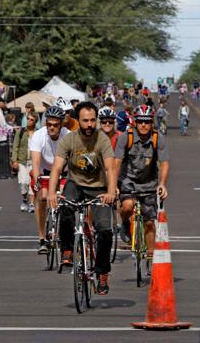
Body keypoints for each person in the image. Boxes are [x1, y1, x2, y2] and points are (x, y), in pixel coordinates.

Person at [47, 102, 117, 295]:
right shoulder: (69, 140)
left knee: (105, 230)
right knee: (65, 207)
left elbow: (111, 168)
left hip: (99, 188)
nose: (89, 124)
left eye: (93, 120)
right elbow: (57, 168)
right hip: (75, 185)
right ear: (78, 121)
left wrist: (111, 192)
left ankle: (102, 273)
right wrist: (52, 193)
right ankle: (67, 250)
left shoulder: (102, 139)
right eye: (85, 121)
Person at [115, 105, 169, 258]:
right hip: (128, 181)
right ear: (135, 122)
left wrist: (162, 184)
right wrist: (113, 185)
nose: (143, 125)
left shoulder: (158, 138)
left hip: (149, 183)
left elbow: (164, 163)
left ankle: (151, 258)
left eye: (147, 121)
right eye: (140, 121)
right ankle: (125, 223)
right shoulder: (126, 137)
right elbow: (117, 162)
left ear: (152, 122)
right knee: (127, 205)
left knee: (149, 222)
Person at [29, 105, 70, 253]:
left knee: (66, 199)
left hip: (63, 171)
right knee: (42, 197)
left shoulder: (69, 135)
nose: (51, 128)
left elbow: (73, 160)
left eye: (55, 125)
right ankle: (42, 237)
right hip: (44, 171)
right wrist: (37, 181)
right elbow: (35, 163)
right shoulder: (38, 135)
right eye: (49, 124)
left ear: (61, 124)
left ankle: (64, 233)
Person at [11, 112, 37, 213]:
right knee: (23, 183)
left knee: (32, 183)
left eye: (31, 120)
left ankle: (31, 203)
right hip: (22, 161)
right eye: (28, 119)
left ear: (35, 122)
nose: (29, 121)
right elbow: (15, 146)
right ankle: (24, 200)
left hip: (33, 162)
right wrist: (14, 160)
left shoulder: (38, 133)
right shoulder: (21, 132)